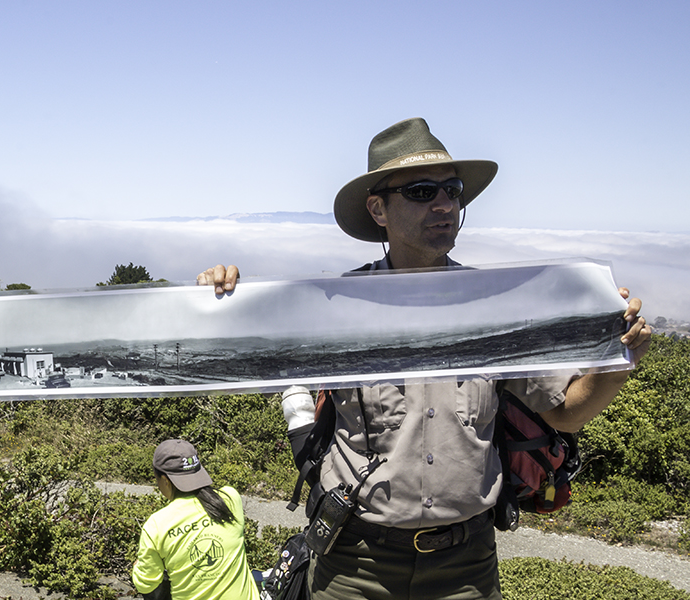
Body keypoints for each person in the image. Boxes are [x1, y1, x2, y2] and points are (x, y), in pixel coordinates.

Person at [197, 118, 652, 600]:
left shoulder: (496, 307)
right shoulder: (335, 308)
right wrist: (211, 306)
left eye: (452, 190)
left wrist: (618, 357)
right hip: (355, 562)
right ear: (378, 209)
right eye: (420, 191)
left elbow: (568, 411)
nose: (445, 204)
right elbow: (228, 359)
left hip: (467, 566)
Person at [132, 439, 260, 600]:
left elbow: (146, 584)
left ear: (165, 480)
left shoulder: (157, 525)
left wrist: (137, 569)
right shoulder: (230, 499)